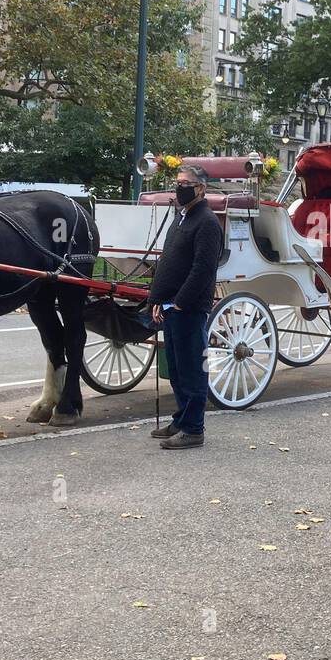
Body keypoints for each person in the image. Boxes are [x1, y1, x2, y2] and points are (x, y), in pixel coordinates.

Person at [147, 165, 222, 449]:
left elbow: (203, 270)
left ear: (201, 188)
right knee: (177, 369)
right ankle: (181, 419)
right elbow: (168, 262)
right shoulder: (181, 218)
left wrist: (179, 302)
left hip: (188, 307)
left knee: (192, 369)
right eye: (177, 183)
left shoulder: (206, 223)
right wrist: (156, 298)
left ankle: (193, 429)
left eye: (185, 183)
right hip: (170, 305)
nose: (179, 188)